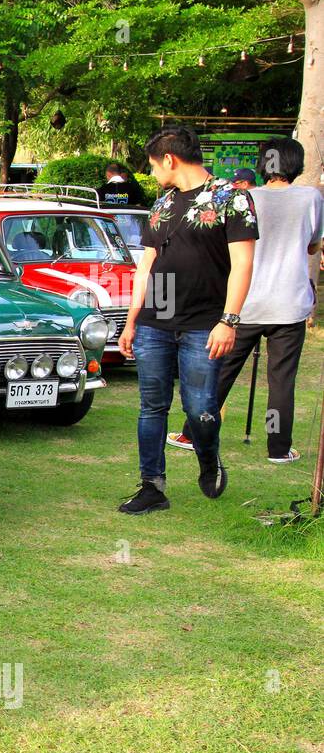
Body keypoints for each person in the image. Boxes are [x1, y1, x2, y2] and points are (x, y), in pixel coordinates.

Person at [117, 125, 258, 514]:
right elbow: (147, 266)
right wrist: (131, 321)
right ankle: (152, 486)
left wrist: (229, 321)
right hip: (155, 318)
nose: (151, 174)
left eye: (151, 165)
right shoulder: (162, 204)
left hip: (204, 320)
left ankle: (208, 457)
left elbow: (243, 264)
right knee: (152, 406)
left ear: (169, 158)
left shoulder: (232, 198)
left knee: (200, 407)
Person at [167, 138, 321, 463]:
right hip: (289, 304)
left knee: (219, 372)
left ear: (264, 163)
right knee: (281, 380)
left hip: (244, 302)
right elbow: (312, 244)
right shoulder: (311, 198)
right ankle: (278, 448)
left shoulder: (245, 196)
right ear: (296, 163)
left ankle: (191, 433)